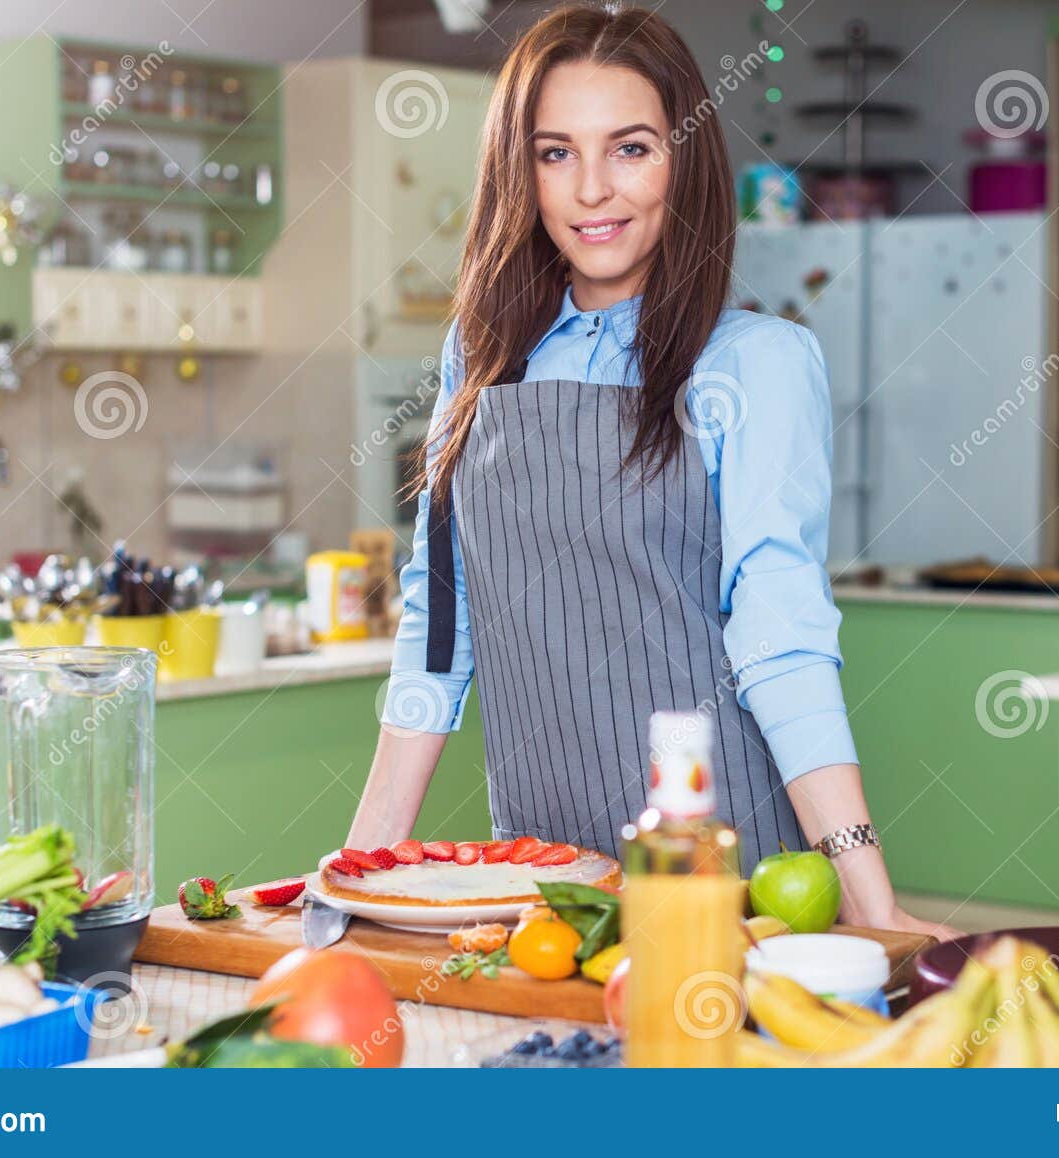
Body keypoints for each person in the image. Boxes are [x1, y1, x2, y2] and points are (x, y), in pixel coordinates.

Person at [345, 2, 957, 940]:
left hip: (725, 872)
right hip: (542, 877)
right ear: (521, 171)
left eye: (630, 148)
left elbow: (781, 633)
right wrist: (359, 875)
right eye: (555, 153)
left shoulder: (757, 361)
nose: (592, 189)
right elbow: (440, 614)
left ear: (685, 161)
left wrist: (870, 903)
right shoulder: (480, 354)